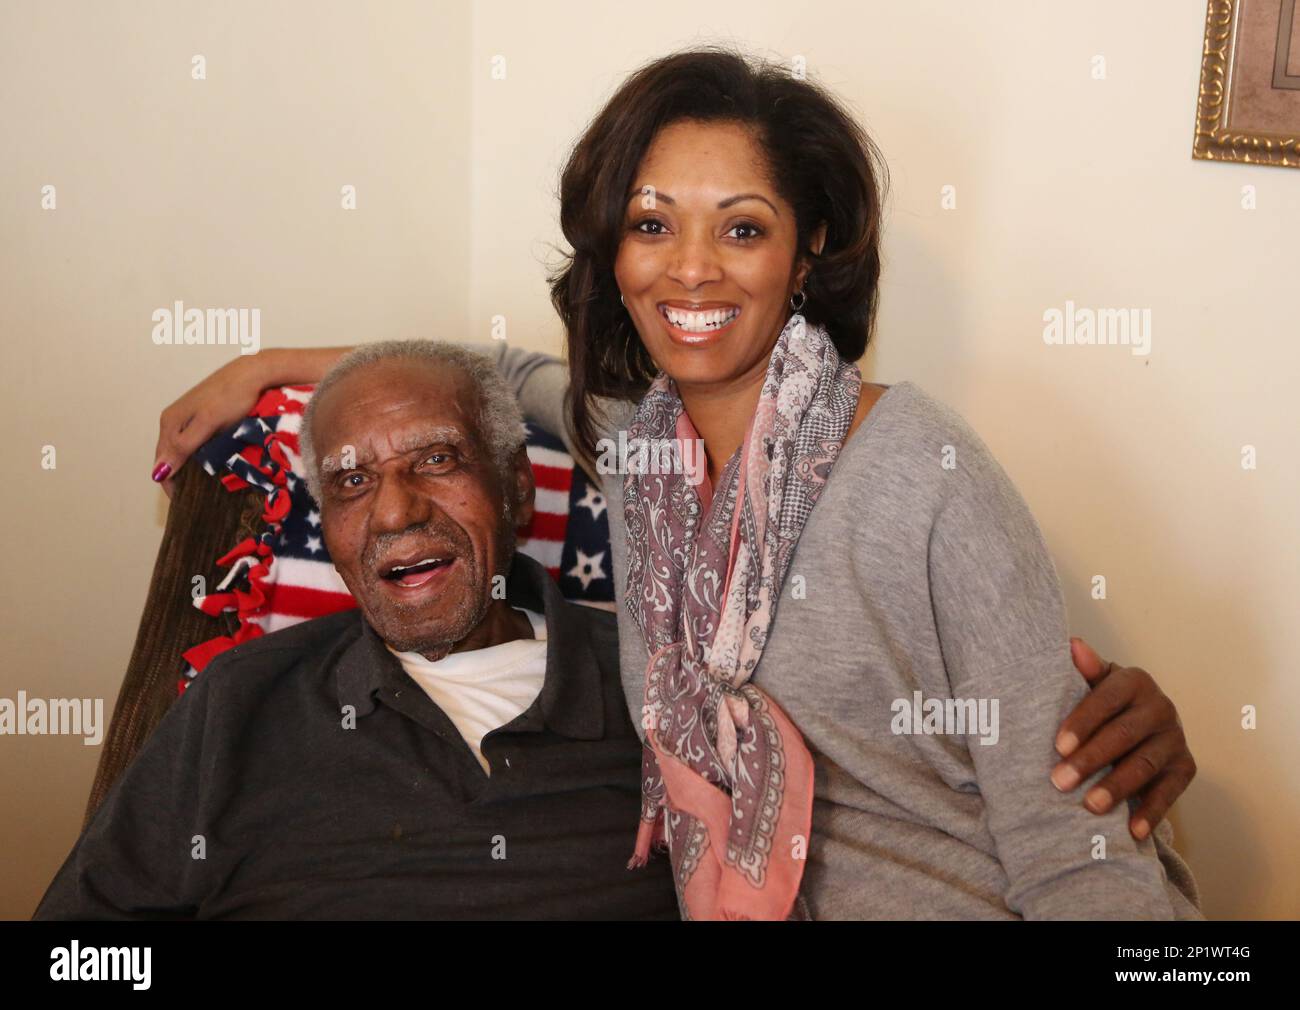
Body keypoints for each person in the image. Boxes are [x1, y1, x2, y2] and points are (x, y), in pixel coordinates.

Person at [150, 48, 1200, 919]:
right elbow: (492, 374)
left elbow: (1076, 848)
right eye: (652, 225)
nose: (690, 268)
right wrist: (266, 365)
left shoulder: (924, 469)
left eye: (741, 227)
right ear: (614, 251)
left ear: (807, 250)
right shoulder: (637, 446)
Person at [36, 343, 679, 919]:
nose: (395, 512)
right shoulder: (242, 698)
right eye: (353, 481)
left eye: (436, 459)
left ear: (516, 485)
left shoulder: (658, 680)